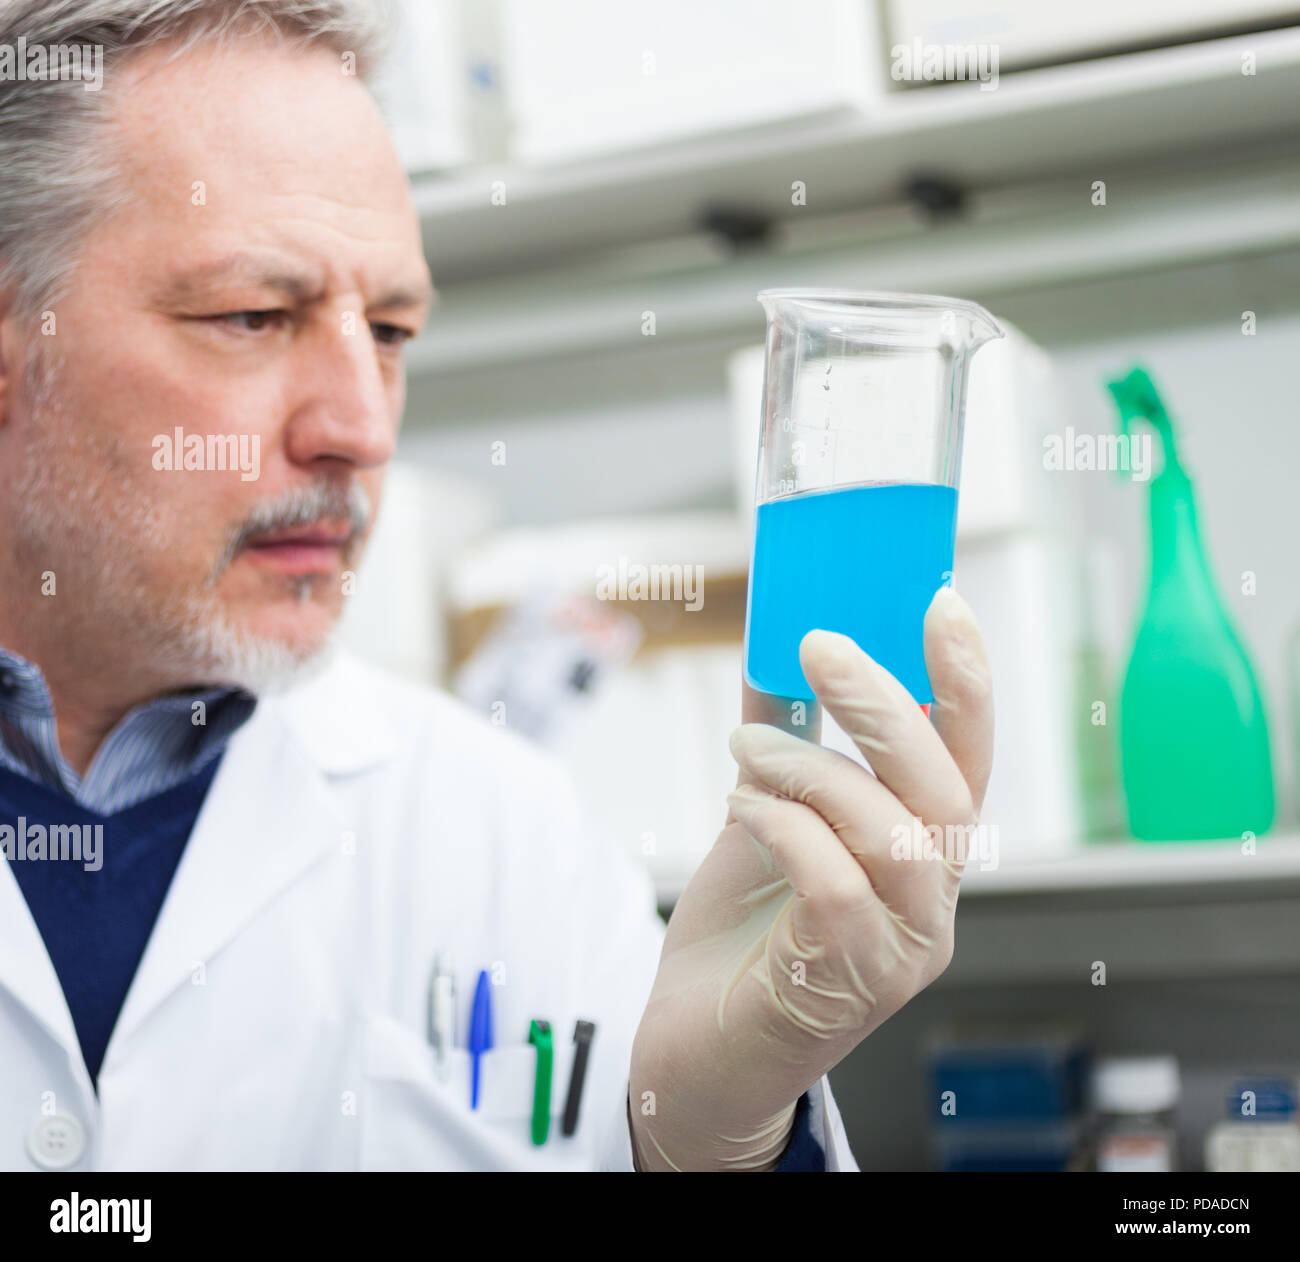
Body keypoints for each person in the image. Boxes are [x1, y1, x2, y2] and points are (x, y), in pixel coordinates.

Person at [0, 0, 994, 1172]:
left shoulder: (507, 828)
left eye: (391, 328)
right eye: (252, 316)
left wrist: (709, 1137)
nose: (361, 426)